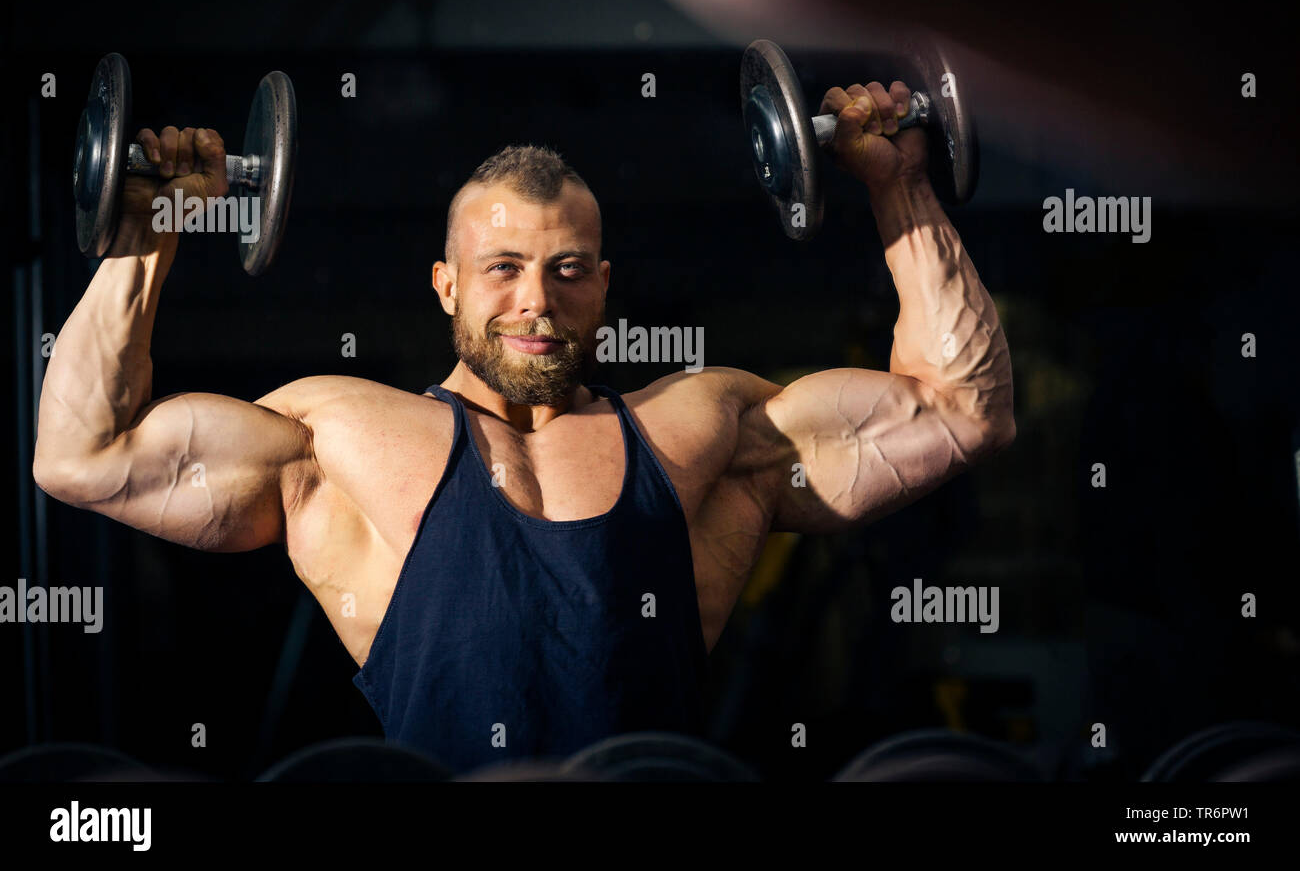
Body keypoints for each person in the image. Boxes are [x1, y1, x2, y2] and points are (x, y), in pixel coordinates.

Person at [33, 78, 1015, 773]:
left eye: (567, 268)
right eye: (502, 266)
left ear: (603, 286)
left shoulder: (704, 429)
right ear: (446, 284)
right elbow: (84, 454)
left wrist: (899, 184)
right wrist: (146, 237)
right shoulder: (342, 437)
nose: (535, 300)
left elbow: (962, 410)